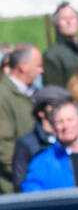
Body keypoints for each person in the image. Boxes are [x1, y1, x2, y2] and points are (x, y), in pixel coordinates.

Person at [0, 45, 40, 193]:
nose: (41, 70)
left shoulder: (32, 92)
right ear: (23, 67)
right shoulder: (3, 96)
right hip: (15, 188)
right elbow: (3, 147)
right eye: (38, 66)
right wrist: (25, 174)